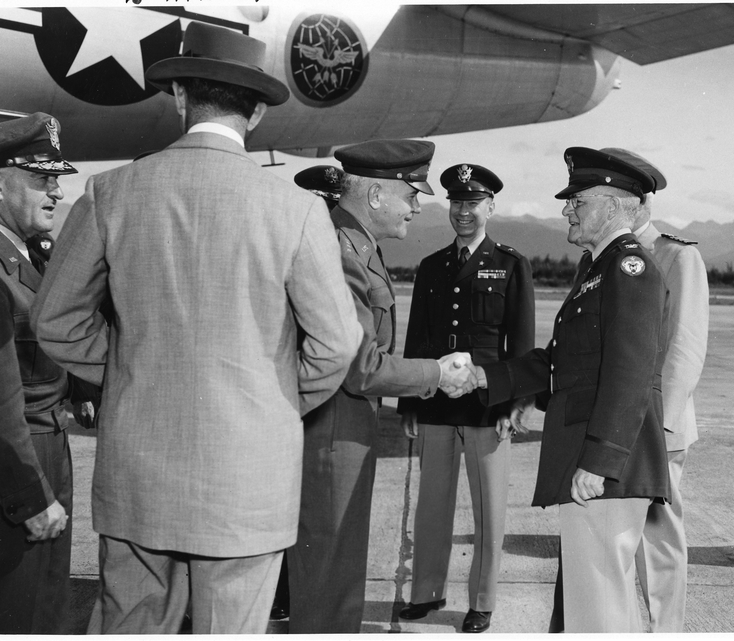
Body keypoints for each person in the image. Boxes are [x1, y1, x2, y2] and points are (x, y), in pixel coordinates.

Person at [30, 22, 362, 634]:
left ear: (180, 97)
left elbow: (55, 319)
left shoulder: (110, 192)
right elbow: (338, 343)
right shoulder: (297, 210)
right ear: (257, 112)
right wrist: (273, 398)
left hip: (139, 471)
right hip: (248, 479)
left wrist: (128, 369)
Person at [473, 147, 671, 632]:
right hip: (590, 461)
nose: (566, 210)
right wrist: (484, 377)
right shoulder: (596, 269)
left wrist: (600, 460)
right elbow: (562, 362)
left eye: (577, 201)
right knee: (598, 607)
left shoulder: (629, 270)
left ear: (613, 205)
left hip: (606, 470)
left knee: (599, 612)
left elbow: (630, 374)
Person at [288, 139, 479, 634]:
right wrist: (437, 374)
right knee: (329, 577)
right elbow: (361, 365)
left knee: (339, 570)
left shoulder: (357, 245)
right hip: (331, 435)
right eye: (411, 194)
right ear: (375, 195)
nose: (417, 205)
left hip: (343, 428)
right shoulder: (340, 249)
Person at [397, 164, 535, 633]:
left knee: (488, 509)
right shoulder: (432, 266)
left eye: (473, 203)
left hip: (487, 406)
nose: (463, 211)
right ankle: (426, 592)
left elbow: (520, 343)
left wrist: (514, 403)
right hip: (436, 402)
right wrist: (410, 401)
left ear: (490, 207)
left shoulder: (511, 264)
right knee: (431, 505)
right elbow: (418, 337)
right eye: (456, 202)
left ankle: (482, 601)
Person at [606, 148, 709, 632]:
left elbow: (684, 348)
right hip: (615, 425)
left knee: (658, 543)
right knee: (616, 543)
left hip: (655, 427)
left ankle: (666, 632)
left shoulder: (676, 255)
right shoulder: (604, 256)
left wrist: (656, 427)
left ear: (642, 201)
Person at [0, 112, 79, 633]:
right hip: (13, 466)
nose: (56, 192)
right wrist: (31, 499)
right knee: (15, 614)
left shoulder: (31, 254)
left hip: (47, 446)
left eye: (56, 180)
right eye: (42, 179)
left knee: (46, 608)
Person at [267, 163, 346, 623]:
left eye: (332, 205)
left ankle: (302, 594)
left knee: (318, 508)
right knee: (284, 501)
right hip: (292, 394)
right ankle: (282, 592)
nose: (327, 214)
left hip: (327, 398)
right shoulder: (287, 248)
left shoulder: (341, 253)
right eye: (320, 204)